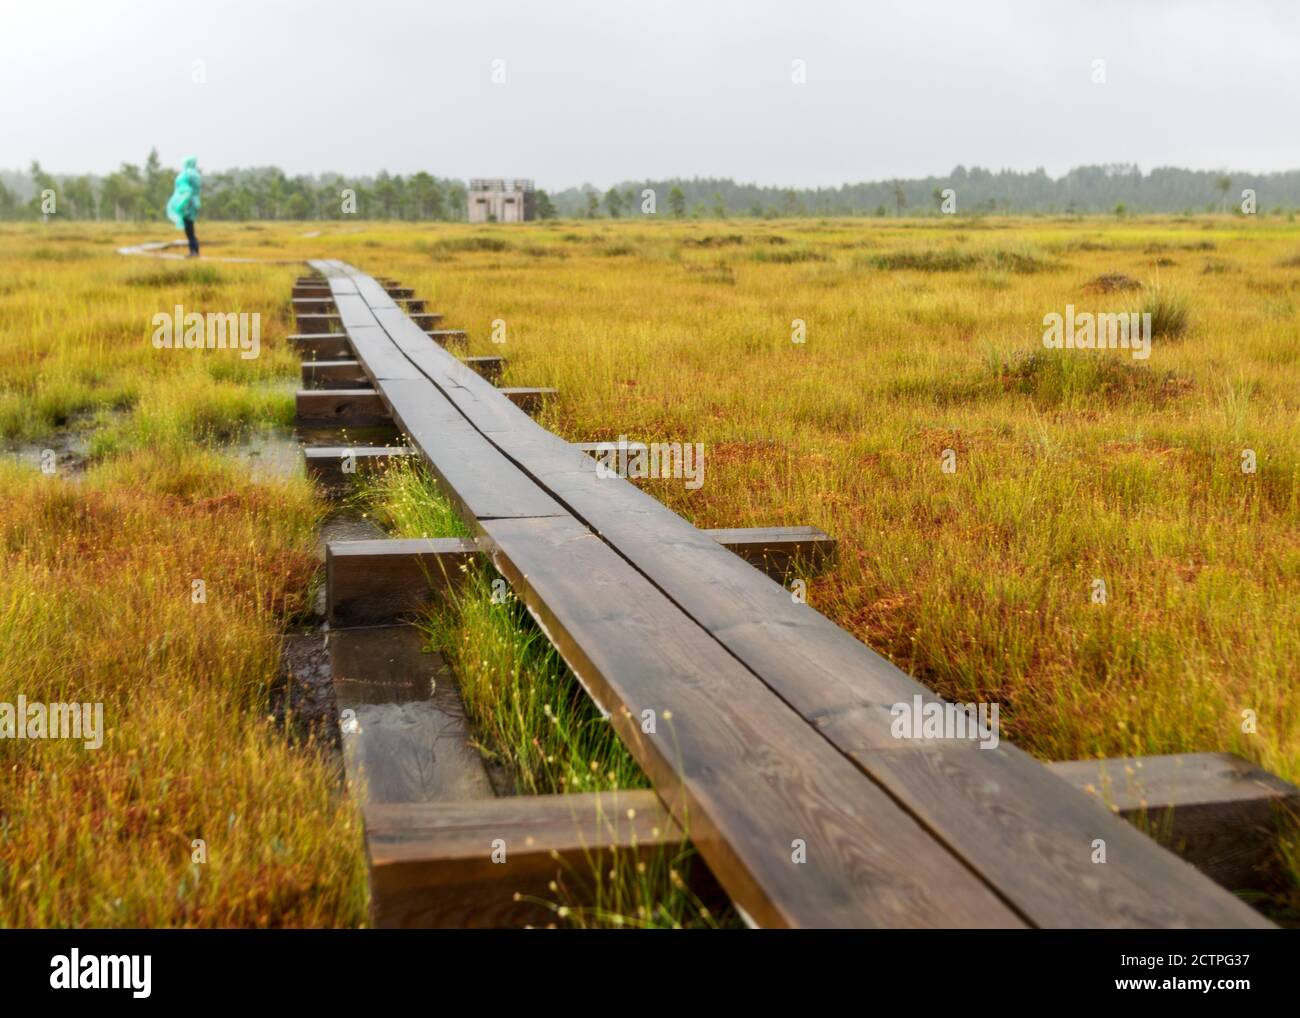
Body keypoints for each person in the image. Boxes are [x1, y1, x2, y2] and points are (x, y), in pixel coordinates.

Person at [165, 156, 202, 257]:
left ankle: (194, 252)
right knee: (191, 230)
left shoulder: (186, 174)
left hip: (188, 206)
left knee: (189, 231)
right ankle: (195, 251)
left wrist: (180, 206)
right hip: (195, 204)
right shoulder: (196, 175)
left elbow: (186, 191)